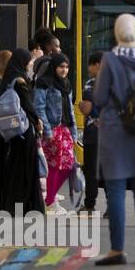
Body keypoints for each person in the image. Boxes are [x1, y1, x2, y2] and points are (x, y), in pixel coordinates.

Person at [93, 14, 135, 267]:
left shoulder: (111, 59)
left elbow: (100, 97)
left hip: (115, 130)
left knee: (116, 190)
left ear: (117, 32)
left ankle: (117, 250)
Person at [0, 49, 44, 217]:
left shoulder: (6, 80)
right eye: (29, 61)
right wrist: (38, 122)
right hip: (23, 135)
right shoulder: (19, 81)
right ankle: (24, 209)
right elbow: (28, 105)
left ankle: (8, 207)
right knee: (24, 173)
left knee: (10, 172)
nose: (31, 64)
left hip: (9, 134)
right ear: (22, 62)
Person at [34, 52, 78, 215]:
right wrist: (47, 130)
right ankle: (50, 202)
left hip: (65, 129)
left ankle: (49, 200)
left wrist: (74, 133)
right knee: (54, 167)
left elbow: (71, 110)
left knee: (67, 166)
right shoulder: (44, 83)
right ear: (54, 66)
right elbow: (39, 107)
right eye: (61, 66)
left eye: (66, 67)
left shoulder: (66, 84)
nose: (64, 70)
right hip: (52, 130)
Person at [77, 51, 104, 217]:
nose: (88, 69)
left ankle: (89, 205)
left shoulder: (91, 83)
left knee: (92, 170)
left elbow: (86, 108)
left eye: (90, 65)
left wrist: (80, 105)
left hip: (93, 135)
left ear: (97, 65)